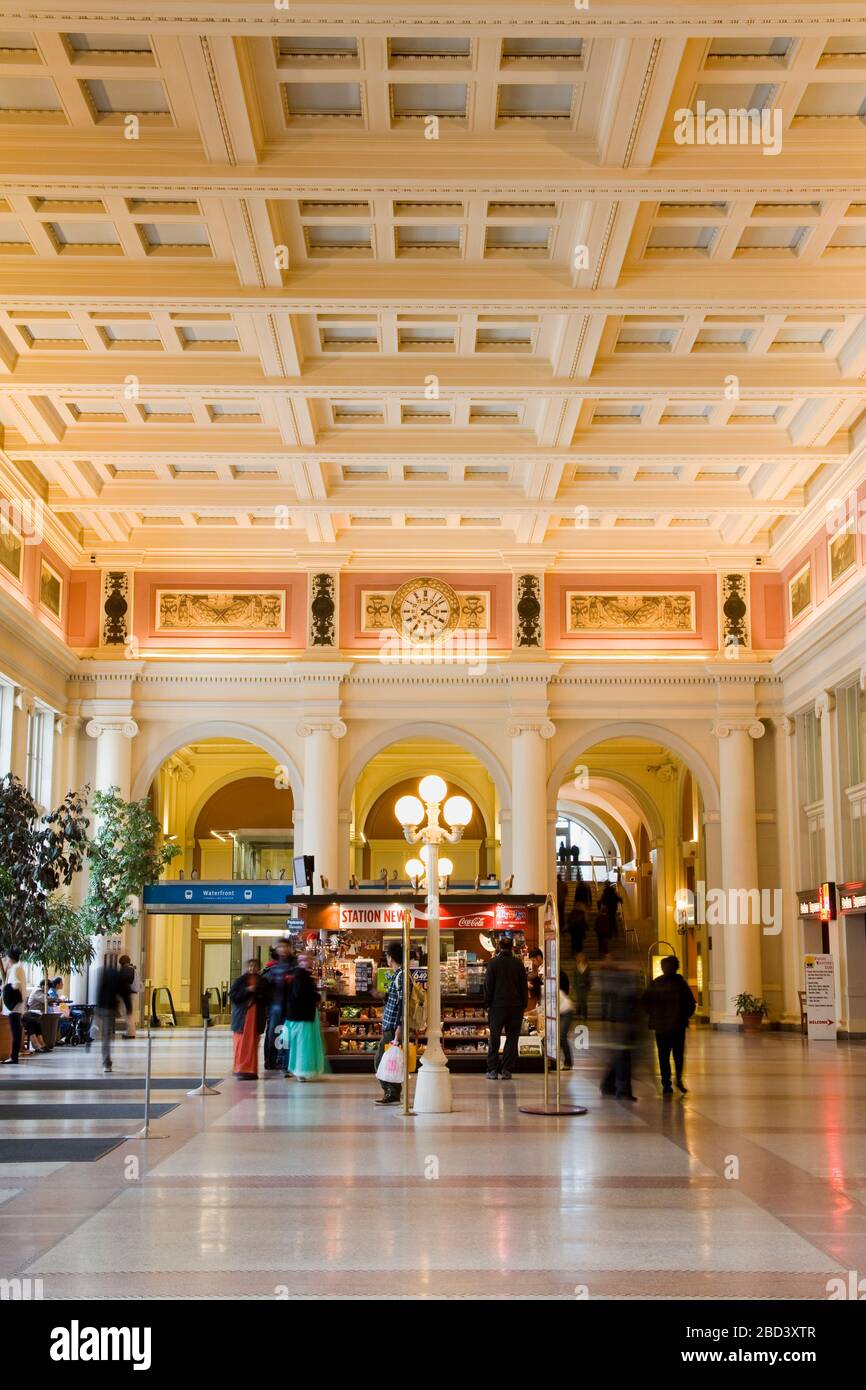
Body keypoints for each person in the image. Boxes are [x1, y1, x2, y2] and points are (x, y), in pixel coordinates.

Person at [641, 955, 696, 1096]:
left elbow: (645, 1002)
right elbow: (691, 1004)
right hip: (677, 1026)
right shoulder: (681, 983)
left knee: (663, 1056)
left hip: (662, 1027)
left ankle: (666, 1084)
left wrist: (654, 1015)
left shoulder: (656, 983)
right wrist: (683, 1017)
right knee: (678, 1055)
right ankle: (678, 1079)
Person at [598, 948, 644, 1102]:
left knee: (624, 1060)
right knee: (622, 1060)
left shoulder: (623, 980)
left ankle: (617, 1088)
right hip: (622, 1028)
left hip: (627, 1028)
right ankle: (619, 1089)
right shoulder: (619, 981)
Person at [483, 934, 529, 1080]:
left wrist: (487, 1004)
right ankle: (506, 1070)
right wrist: (523, 1004)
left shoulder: (493, 963)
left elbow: (488, 986)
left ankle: (492, 1070)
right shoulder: (518, 964)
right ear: (511, 947)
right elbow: (523, 986)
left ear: (499, 947)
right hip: (515, 1006)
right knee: (512, 1038)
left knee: (495, 1038)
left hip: (497, 1006)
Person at [285, 954, 327, 1081]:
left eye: (309, 960)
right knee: (303, 1043)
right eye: (304, 960)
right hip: (302, 1015)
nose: (307, 962)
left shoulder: (300, 974)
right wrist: (316, 997)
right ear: (300, 962)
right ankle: (301, 1070)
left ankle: (299, 1069)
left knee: (301, 1043)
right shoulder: (301, 975)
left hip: (301, 1015)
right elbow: (301, 994)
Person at [374, 941, 406, 1106]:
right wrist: (383, 996)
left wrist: (399, 1028)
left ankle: (392, 1093)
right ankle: (392, 1092)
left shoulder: (401, 975)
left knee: (381, 1060)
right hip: (391, 1025)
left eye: (387, 955)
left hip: (393, 1027)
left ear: (391, 958)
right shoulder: (398, 974)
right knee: (389, 1060)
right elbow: (396, 999)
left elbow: (403, 1003)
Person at [229, 959, 269, 1080]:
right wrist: (247, 990)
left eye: (255, 966)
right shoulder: (240, 981)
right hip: (242, 1017)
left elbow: (267, 997)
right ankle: (240, 1068)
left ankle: (251, 1070)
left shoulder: (262, 982)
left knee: (253, 1043)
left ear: (258, 968)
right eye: (250, 966)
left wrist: (256, 992)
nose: (252, 968)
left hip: (256, 1017)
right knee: (240, 1043)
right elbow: (233, 996)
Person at [263, 940, 296, 1072]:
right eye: (280, 947)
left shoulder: (293, 965)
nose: (283, 949)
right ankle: (271, 1061)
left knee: (286, 1034)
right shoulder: (271, 967)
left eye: (285, 946)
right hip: (275, 1007)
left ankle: (284, 1062)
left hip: (288, 1007)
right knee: (273, 1034)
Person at [95, 959, 132, 1074]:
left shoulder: (103, 973)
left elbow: (99, 991)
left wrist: (97, 1007)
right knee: (108, 1035)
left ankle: (106, 1061)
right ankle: (107, 1063)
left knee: (105, 1036)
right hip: (111, 1008)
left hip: (102, 1007)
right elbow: (124, 993)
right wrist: (129, 1009)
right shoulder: (118, 976)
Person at [2, 950, 28, 1065]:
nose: (6, 961)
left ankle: (14, 1057)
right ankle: (14, 1056)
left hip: (14, 1006)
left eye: (6, 958)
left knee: (15, 1031)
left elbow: (15, 984)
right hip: (18, 1005)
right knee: (17, 1031)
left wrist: (6, 988)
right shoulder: (19, 967)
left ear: (10, 958)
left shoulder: (15, 968)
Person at [117, 954, 138, 1038]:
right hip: (132, 993)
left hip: (126, 994)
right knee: (129, 1013)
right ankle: (130, 1032)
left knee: (127, 1013)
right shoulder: (132, 969)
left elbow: (122, 982)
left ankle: (130, 1033)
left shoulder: (125, 970)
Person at [559, 969, 575, 1070]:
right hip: (560, 1011)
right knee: (560, 1037)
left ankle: (568, 1062)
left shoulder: (544, 990)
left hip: (567, 1011)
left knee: (562, 1036)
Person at [573, 952, 592, 1022]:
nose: (580, 958)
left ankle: (584, 1015)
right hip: (578, 987)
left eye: (582, 957)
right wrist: (574, 986)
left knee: (584, 1001)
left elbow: (589, 978)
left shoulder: (587, 967)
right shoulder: (576, 967)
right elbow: (574, 978)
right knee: (579, 1001)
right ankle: (579, 1014)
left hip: (585, 987)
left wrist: (589, 986)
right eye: (579, 957)